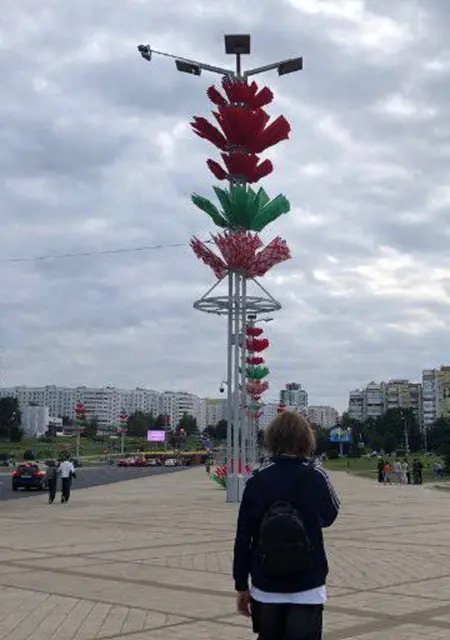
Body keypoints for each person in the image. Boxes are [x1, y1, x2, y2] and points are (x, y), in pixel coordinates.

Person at [233, 411, 340, 640]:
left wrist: (241, 584)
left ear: (272, 439)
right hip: (308, 585)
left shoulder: (258, 479)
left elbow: (243, 536)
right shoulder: (316, 475)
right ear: (306, 439)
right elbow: (330, 515)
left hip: (266, 586)